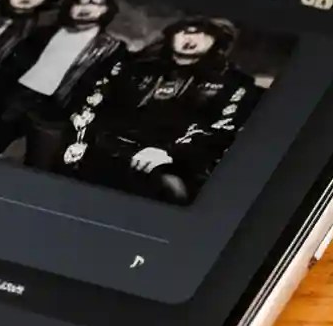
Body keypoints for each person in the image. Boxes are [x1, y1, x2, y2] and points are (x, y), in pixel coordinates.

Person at [58, 16, 262, 205]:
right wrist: (80, 141)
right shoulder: (134, 67)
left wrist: (169, 153)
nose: (191, 39)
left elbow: (221, 131)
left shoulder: (234, 83)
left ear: (217, 40)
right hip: (106, 148)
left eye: (203, 33)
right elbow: (93, 103)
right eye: (185, 31)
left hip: (172, 162)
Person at [0, 0, 126, 160]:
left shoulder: (110, 47)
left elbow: (104, 85)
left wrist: (77, 112)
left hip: (56, 109)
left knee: (39, 160)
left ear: (107, 10)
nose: (84, 7)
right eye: (79, 2)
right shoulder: (42, 33)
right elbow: (9, 65)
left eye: (93, 2)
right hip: (16, 98)